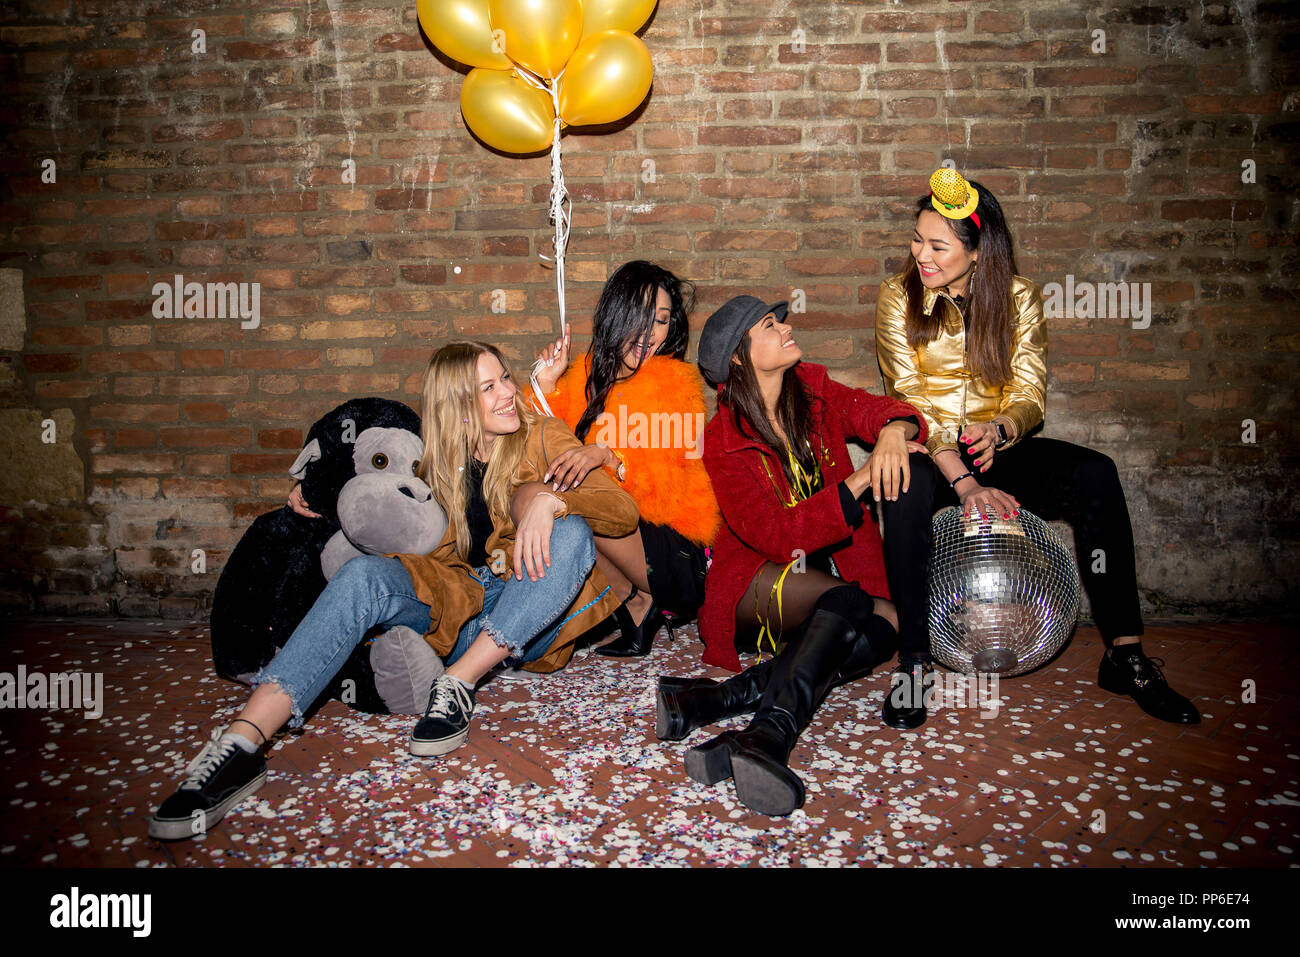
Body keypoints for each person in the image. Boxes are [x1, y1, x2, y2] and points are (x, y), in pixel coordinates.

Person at [148, 341, 638, 840]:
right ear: (458, 408)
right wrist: (311, 492)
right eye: (487, 388)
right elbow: (368, 478)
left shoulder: (538, 433)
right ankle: (240, 747)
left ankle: (458, 685)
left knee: (572, 532)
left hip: (524, 609)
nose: (508, 393)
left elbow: (620, 509)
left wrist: (549, 502)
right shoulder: (434, 456)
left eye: (505, 378)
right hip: (454, 604)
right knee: (362, 577)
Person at [873, 167, 1200, 727]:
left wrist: (1000, 429)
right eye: (917, 240)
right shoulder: (896, 297)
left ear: (977, 252)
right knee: (901, 489)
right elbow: (909, 400)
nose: (920, 254)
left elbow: (1030, 392)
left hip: (997, 447)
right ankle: (915, 663)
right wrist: (965, 481)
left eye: (937, 245)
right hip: (933, 453)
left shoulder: (1018, 298)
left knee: (1096, 472)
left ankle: (1126, 654)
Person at [654, 294, 934, 816]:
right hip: (752, 585)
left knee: (887, 623)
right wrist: (858, 481)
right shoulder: (723, 441)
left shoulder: (815, 391)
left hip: (823, 583)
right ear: (738, 357)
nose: (785, 327)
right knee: (851, 605)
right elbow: (779, 536)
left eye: (780, 318)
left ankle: (721, 699)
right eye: (768, 324)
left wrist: (894, 432)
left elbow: (875, 408)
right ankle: (769, 735)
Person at [530, 260, 721, 657]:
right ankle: (634, 605)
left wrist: (606, 457)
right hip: (620, 537)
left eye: (663, 320)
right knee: (547, 484)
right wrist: (546, 385)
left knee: (568, 494)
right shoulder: (584, 375)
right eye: (641, 316)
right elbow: (543, 449)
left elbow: (664, 489)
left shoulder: (676, 383)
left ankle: (629, 602)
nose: (651, 333)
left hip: (674, 550)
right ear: (617, 314)